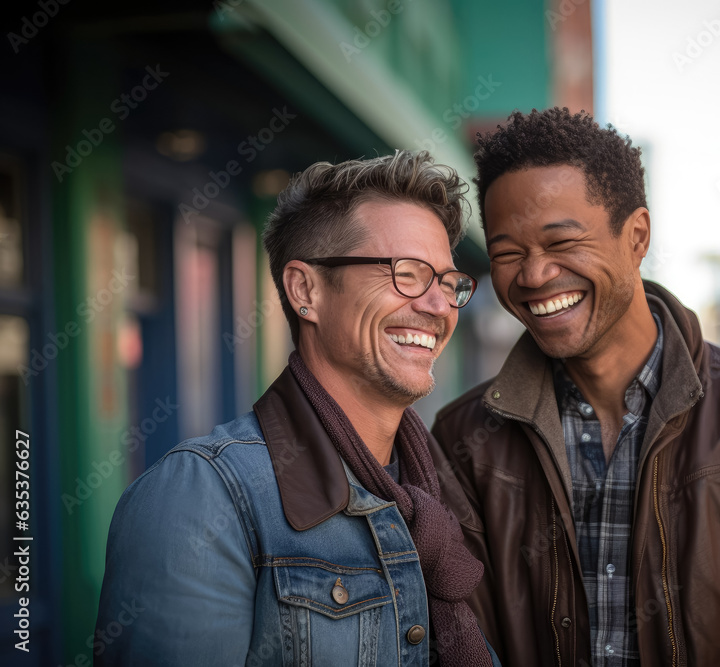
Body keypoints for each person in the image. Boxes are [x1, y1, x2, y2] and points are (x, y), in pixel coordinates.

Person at [428, 108, 720, 666]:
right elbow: (465, 645)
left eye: (561, 243)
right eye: (508, 254)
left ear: (636, 236)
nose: (535, 275)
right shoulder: (463, 440)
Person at [96, 150, 499, 666]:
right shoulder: (203, 497)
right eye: (406, 273)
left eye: (446, 282)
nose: (439, 306)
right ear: (305, 289)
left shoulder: (432, 490)